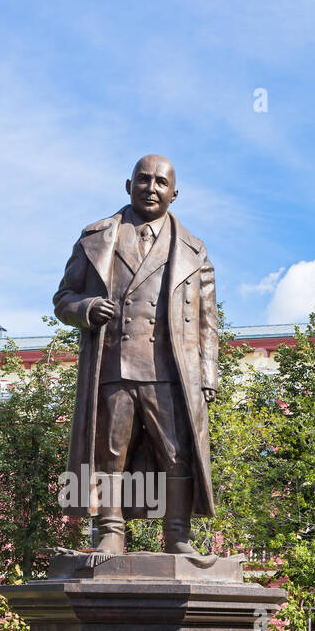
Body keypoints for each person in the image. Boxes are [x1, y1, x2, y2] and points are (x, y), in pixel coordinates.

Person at [54, 155, 217, 554]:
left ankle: (178, 535)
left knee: (176, 454)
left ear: (174, 193)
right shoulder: (96, 237)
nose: (151, 188)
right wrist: (87, 308)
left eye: (162, 182)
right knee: (109, 453)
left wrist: (208, 375)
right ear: (128, 185)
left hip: (171, 372)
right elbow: (63, 299)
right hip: (114, 366)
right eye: (143, 180)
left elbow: (207, 322)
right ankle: (110, 532)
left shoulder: (194, 251)